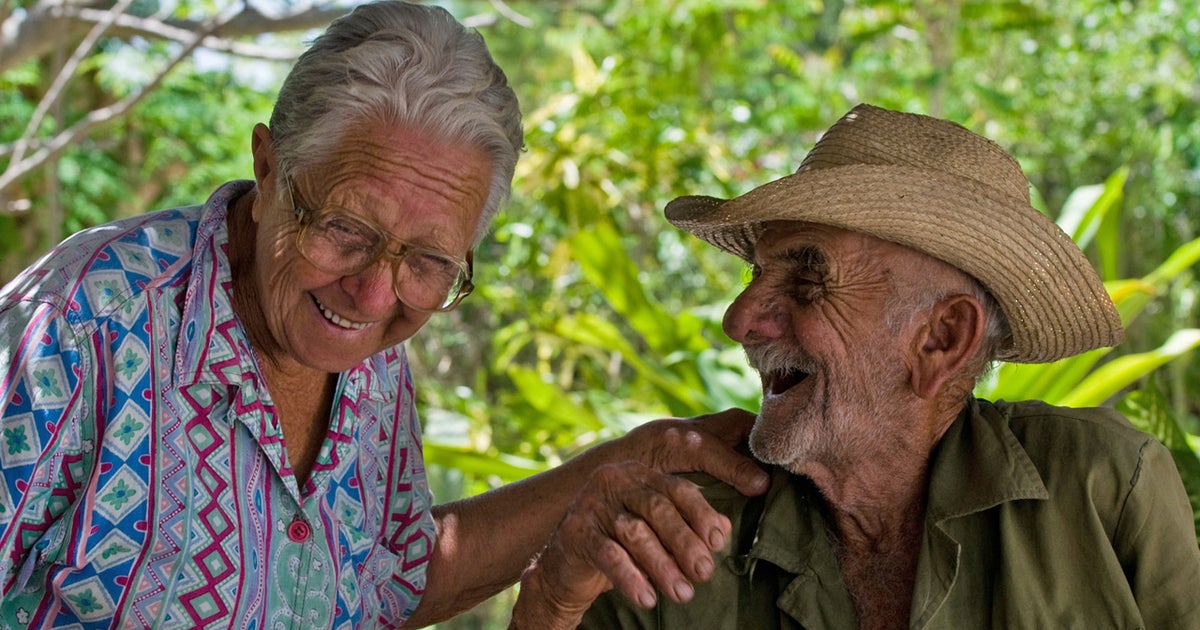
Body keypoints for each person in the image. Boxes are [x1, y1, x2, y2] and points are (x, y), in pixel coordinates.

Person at [0, 2, 769, 627]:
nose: (372, 295)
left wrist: (631, 459)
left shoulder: (365, 353)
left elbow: (389, 580)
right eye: (344, 230)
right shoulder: (83, 325)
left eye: (428, 261)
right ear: (268, 171)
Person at [512, 104, 1200, 629]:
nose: (739, 318)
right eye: (756, 274)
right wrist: (550, 601)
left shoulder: (1103, 490)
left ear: (941, 340)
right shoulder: (680, 532)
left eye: (808, 278)